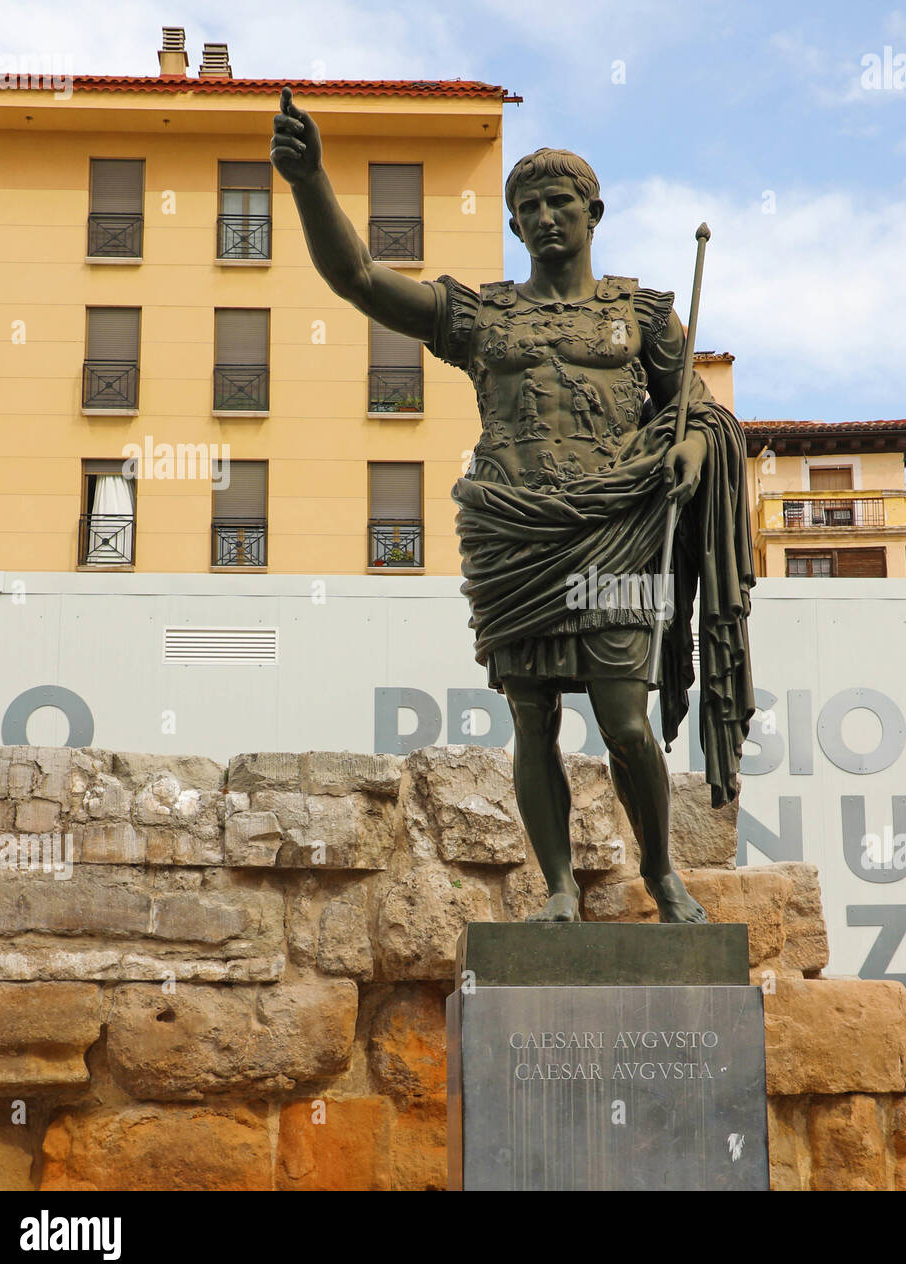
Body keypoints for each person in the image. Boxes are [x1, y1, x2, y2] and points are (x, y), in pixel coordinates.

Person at [272, 88, 754, 922]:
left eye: (559, 202)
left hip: (613, 535)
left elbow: (703, 410)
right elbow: (357, 278)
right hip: (514, 534)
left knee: (625, 723)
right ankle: (560, 890)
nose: (543, 218)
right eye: (526, 207)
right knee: (532, 722)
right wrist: (311, 180)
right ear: (514, 224)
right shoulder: (482, 316)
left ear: (593, 211)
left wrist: (691, 446)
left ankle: (661, 871)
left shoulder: (642, 315)